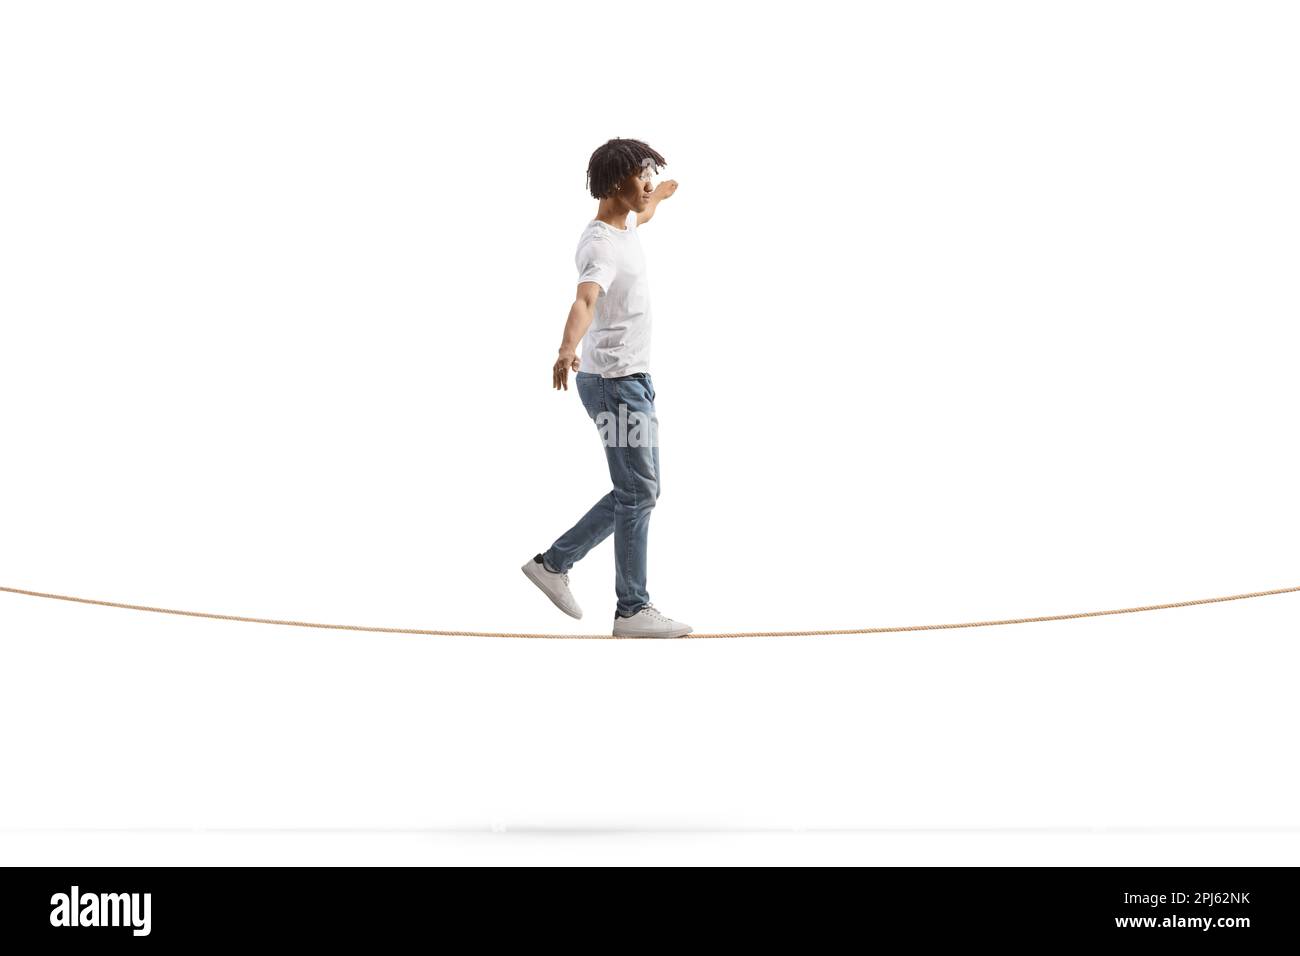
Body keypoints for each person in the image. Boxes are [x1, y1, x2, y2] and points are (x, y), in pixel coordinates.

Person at [522, 138, 692, 638]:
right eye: (641, 175)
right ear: (617, 183)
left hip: (632, 381)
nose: (647, 182)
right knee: (639, 493)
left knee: (639, 490)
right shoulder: (599, 244)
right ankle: (631, 609)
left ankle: (553, 565)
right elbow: (585, 299)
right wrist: (565, 348)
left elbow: (648, 212)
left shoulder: (627, 224)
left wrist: (660, 193)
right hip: (617, 384)